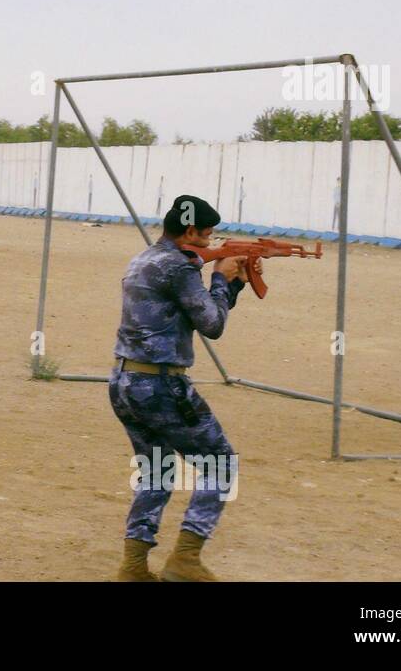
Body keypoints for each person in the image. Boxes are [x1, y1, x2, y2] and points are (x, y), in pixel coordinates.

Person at [110, 194, 249, 582]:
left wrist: (229, 283)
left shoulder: (144, 259)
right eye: (206, 235)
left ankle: (134, 567)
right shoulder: (180, 267)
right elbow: (212, 324)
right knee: (220, 462)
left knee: (157, 471)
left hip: (124, 381)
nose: (209, 241)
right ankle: (185, 558)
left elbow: (195, 311)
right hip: (161, 384)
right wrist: (222, 279)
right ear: (189, 232)